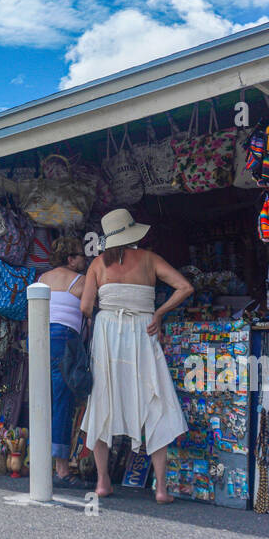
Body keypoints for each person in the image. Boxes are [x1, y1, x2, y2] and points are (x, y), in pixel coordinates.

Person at [79, 209, 194, 503]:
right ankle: (160, 489)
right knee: (155, 403)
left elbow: (86, 307)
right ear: (132, 233)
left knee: (102, 402)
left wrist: (102, 315)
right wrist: (158, 312)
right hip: (143, 331)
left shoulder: (97, 264)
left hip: (107, 336)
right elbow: (185, 287)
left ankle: (103, 482)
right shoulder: (149, 259)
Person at [38, 235, 90, 487]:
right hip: (64, 340)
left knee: (42, 400)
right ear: (71, 259)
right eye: (81, 255)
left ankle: (39, 461)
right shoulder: (81, 282)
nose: (85, 259)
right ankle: (61, 470)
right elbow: (90, 313)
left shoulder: (42, 279)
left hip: (40, 339)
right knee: (61, 402)